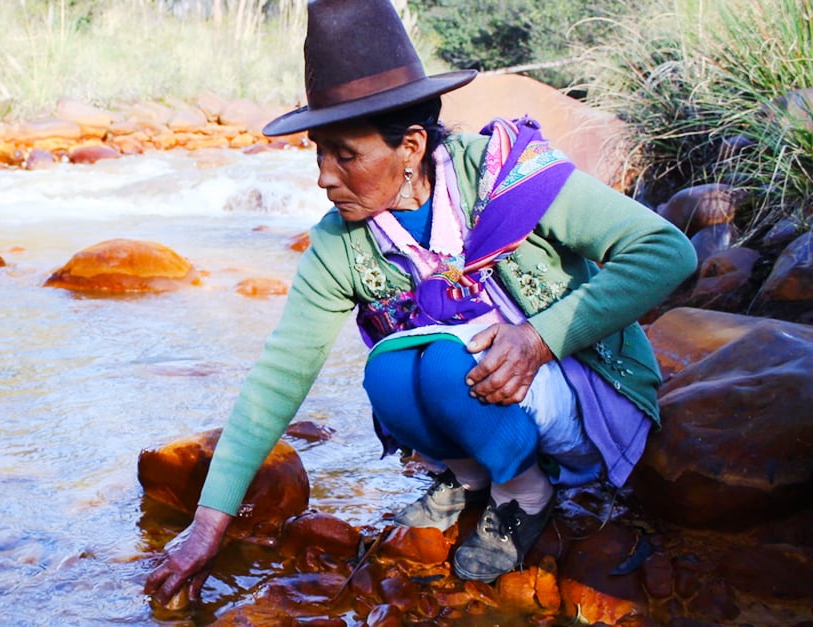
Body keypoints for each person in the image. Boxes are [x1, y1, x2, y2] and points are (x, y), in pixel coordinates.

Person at [145, 0, 697, 603]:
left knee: (435, 364)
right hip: (485, 392)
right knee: (386, 372)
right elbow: (280, 375)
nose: (324, 178)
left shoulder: (504, 175)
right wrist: (207, 524)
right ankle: (468, 477)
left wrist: (540, 338)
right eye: (318, 154)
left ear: (410, 146)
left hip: (580, 389)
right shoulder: (341, 241)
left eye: (344, 156)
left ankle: (525, 493)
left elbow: (666, 251)